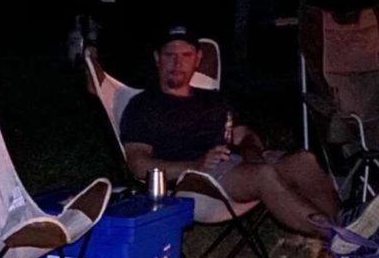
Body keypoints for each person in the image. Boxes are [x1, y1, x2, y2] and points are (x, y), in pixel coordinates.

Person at [120, 23, 339, 236]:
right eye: (170, 55)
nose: (177, 63)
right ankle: (335, 235)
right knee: (264, 175)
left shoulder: (213, 98)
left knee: (304, 160)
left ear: (197, 59)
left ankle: (339, 225)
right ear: (158, 58)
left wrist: (251, 150)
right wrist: (196, 164)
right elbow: (138, 165)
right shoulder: (143, 105)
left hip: (237, 165)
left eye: (186, 55)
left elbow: (243, 134)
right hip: (197, 179)